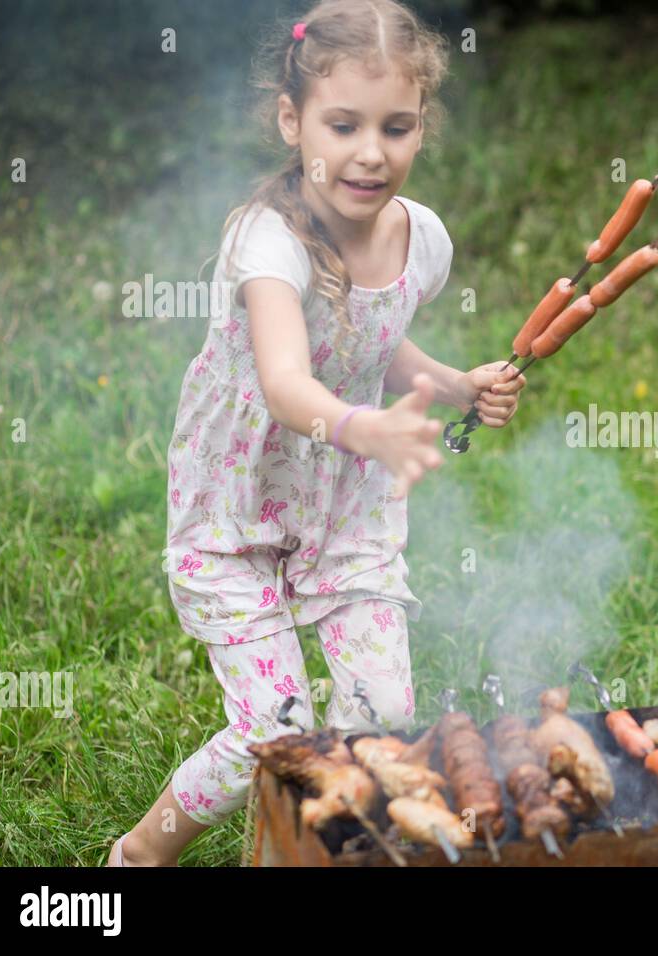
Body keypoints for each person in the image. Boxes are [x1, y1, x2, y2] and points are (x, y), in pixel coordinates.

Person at [110, 0, 525, 866]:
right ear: (293, 121)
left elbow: (374, 337)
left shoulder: (423, 240)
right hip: (239, 508)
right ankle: (143, 853)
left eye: (397, 126)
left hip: (346, 510)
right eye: (344, 124)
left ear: (422, 128)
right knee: (278, 728)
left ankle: (298, 855)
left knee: (380, 721)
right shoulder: (270, 242)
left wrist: (452, 384)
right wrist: (362, 427)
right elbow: (287, 378)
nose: (371, 152)